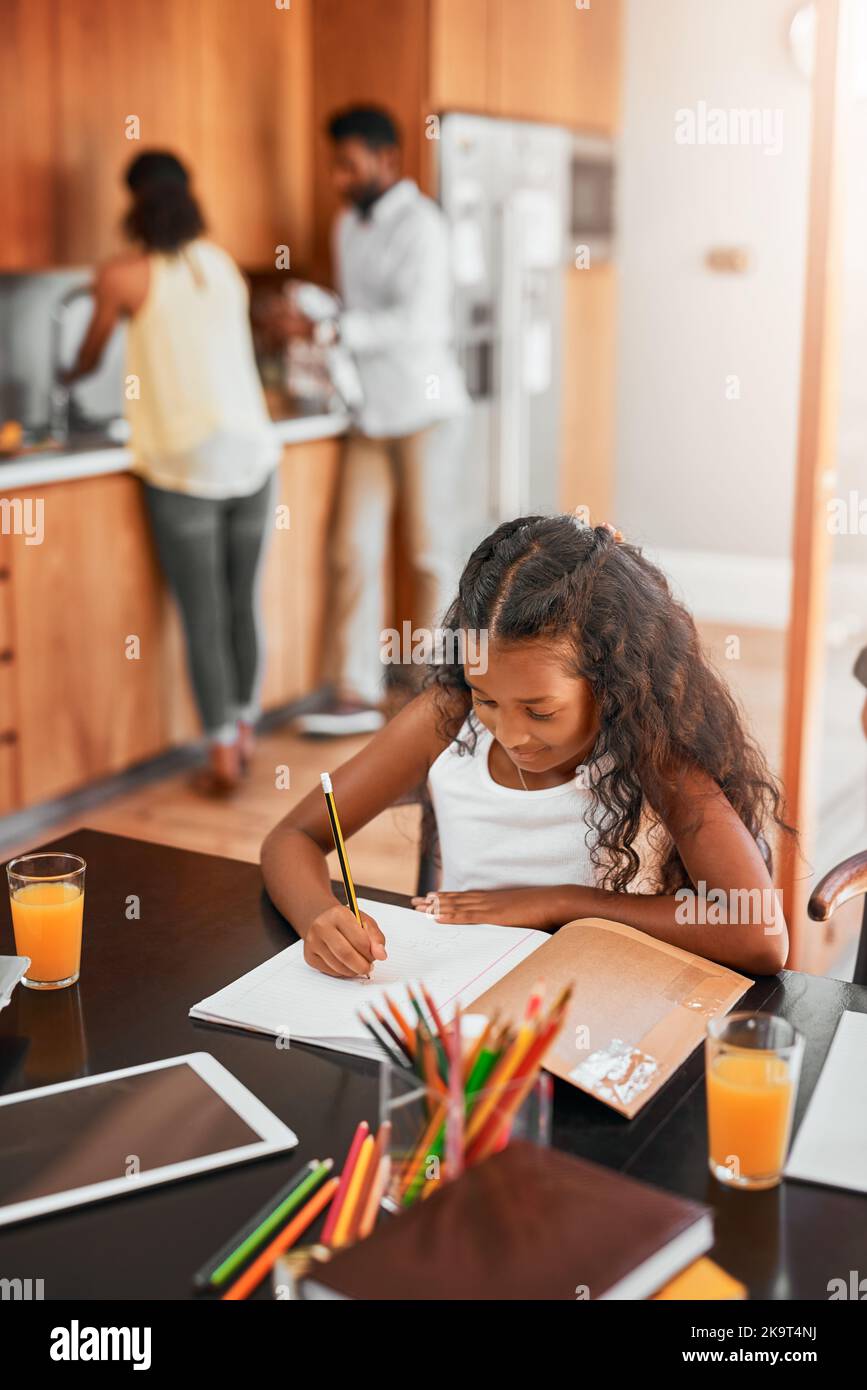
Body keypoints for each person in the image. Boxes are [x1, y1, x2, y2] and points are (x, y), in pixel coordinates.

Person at [262, 516, 792, 978]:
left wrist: (559, 904)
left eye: (540, 711)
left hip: (586, 991)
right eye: (486, 697)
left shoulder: (644, 742)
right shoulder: (446, 720)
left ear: (612, 681)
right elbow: (293, 836)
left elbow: (758, 933)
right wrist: (317, 914)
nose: (510, 735)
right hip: (458, 985)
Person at [65, 150, 280, 792]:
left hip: (181, 463)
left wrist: (63, 380)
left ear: (131, 204)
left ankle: (219, 755)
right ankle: (243, 732)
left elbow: (89, 354)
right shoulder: (220, 266)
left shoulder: (121, 276)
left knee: (203, 614)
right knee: (242, 603)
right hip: (252, 453)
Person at [281, 105, 469, 736]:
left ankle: (434, 694)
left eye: (348, 165)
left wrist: (330, 326)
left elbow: (415, 324)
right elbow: (354, 313)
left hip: (425, 408)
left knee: (425, 553)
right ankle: (355, 690)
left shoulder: (423, 226)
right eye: (336, 165)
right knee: (351, 548)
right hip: (370, 413)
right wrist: (315, 311)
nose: (338, 178)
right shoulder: (345, 226)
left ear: (388, 160)